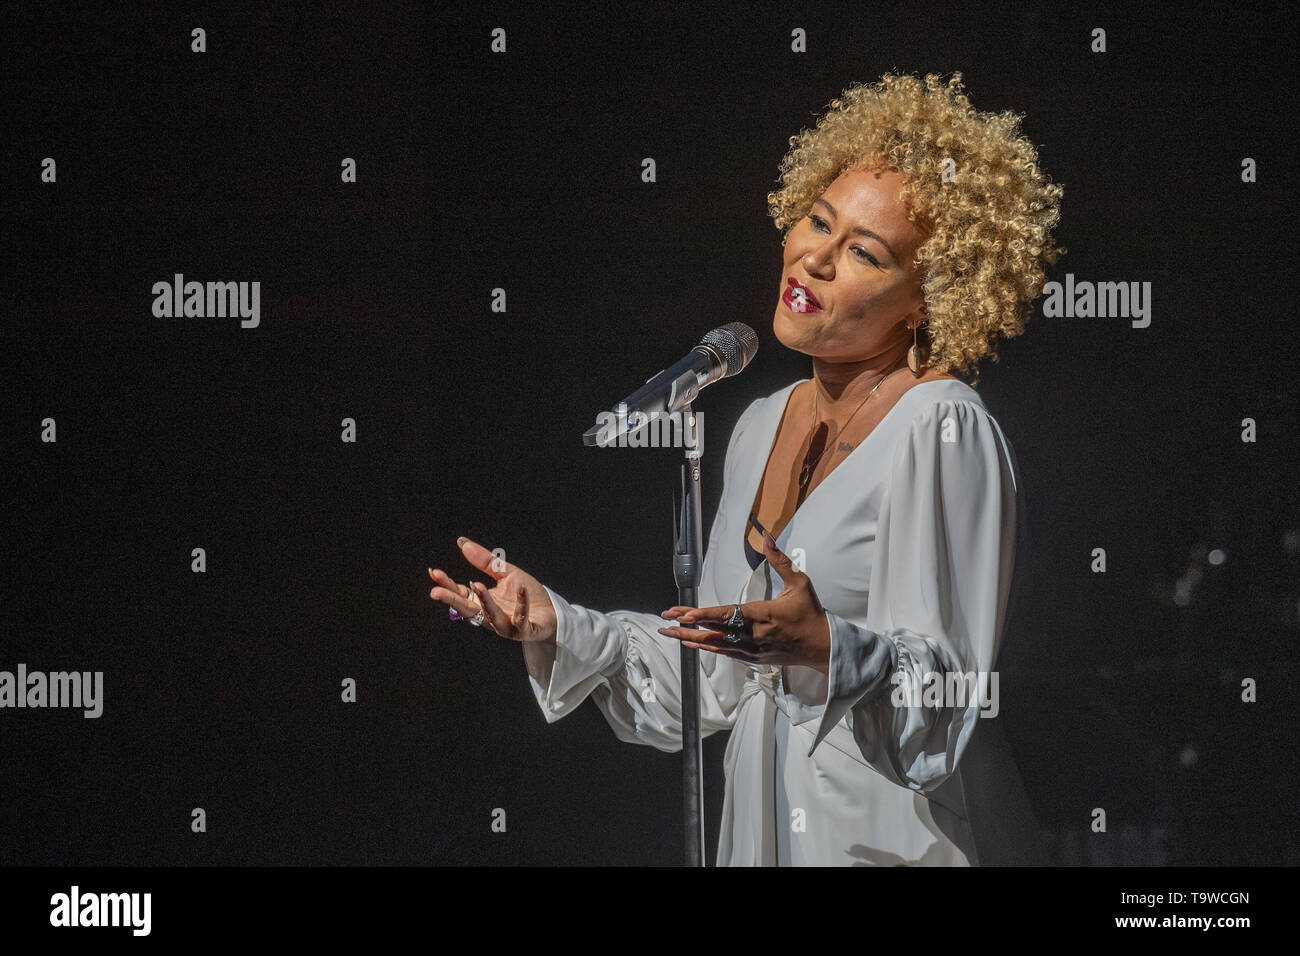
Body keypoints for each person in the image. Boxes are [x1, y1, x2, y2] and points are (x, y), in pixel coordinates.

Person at [429, 72, 1063, 865]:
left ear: (927, 299)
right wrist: (560, 623)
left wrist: (828, 645)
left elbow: (944, 697)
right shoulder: (760, 425)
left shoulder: (942, 426)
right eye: (816, 222)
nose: (815, 260)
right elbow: (714, 681)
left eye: (863, 252)